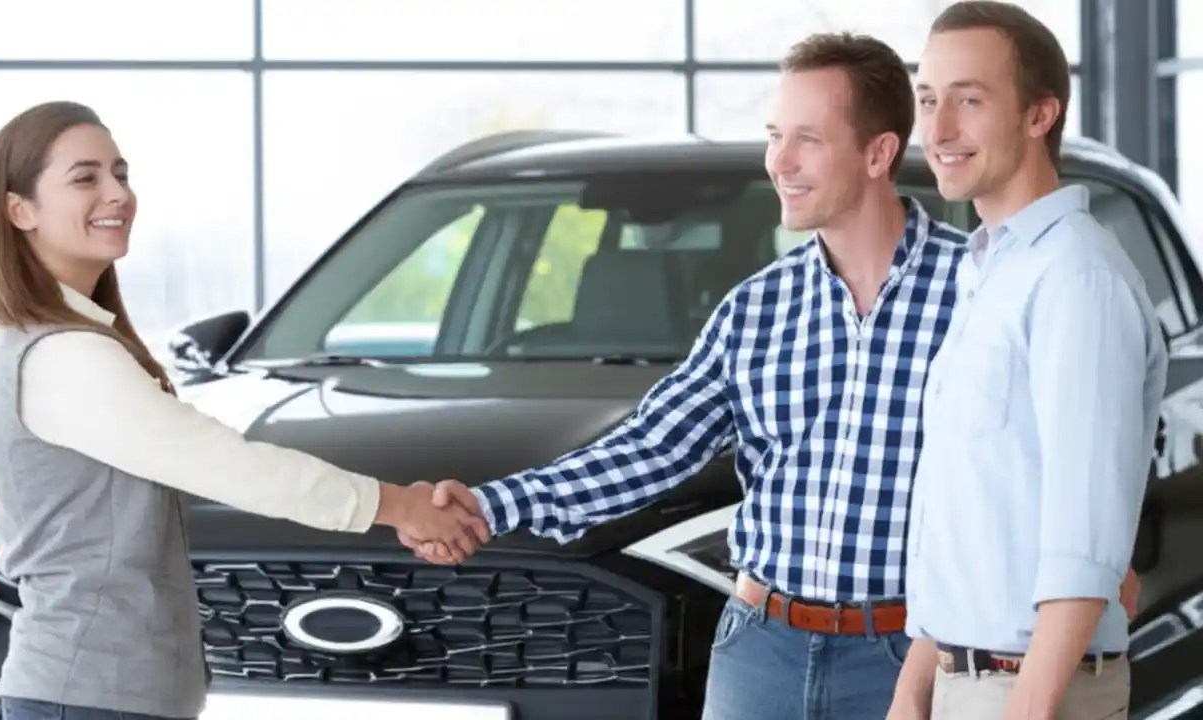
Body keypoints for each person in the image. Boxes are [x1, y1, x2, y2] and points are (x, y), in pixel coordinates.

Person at [406, 32, 965, 718]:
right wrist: (489, 507)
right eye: (774, 135)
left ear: (878, 153)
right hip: (762, 652)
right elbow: (650, 449)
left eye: (808, 140)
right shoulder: (757, 309)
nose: (780, 163)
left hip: (908, 657)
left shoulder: (975, 291)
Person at [0, 101, 490, 720]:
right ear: (18, 209)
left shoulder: (54, 339)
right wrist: (400, 506)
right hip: (86, 697)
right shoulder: (63, 356)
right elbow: (229, 466)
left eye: (121, 173)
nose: (118, 193)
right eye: (86, 178)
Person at [889, 3, 1168, 719]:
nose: (940, 130)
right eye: (929, 100)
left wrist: (1030, 707)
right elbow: (977, 519)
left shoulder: (1077, 278)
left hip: (1028, 693)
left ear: (1041, 113)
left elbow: (1085, 531)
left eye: (970, 100)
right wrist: (915, 688)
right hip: (967, 680)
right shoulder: (991, 271)